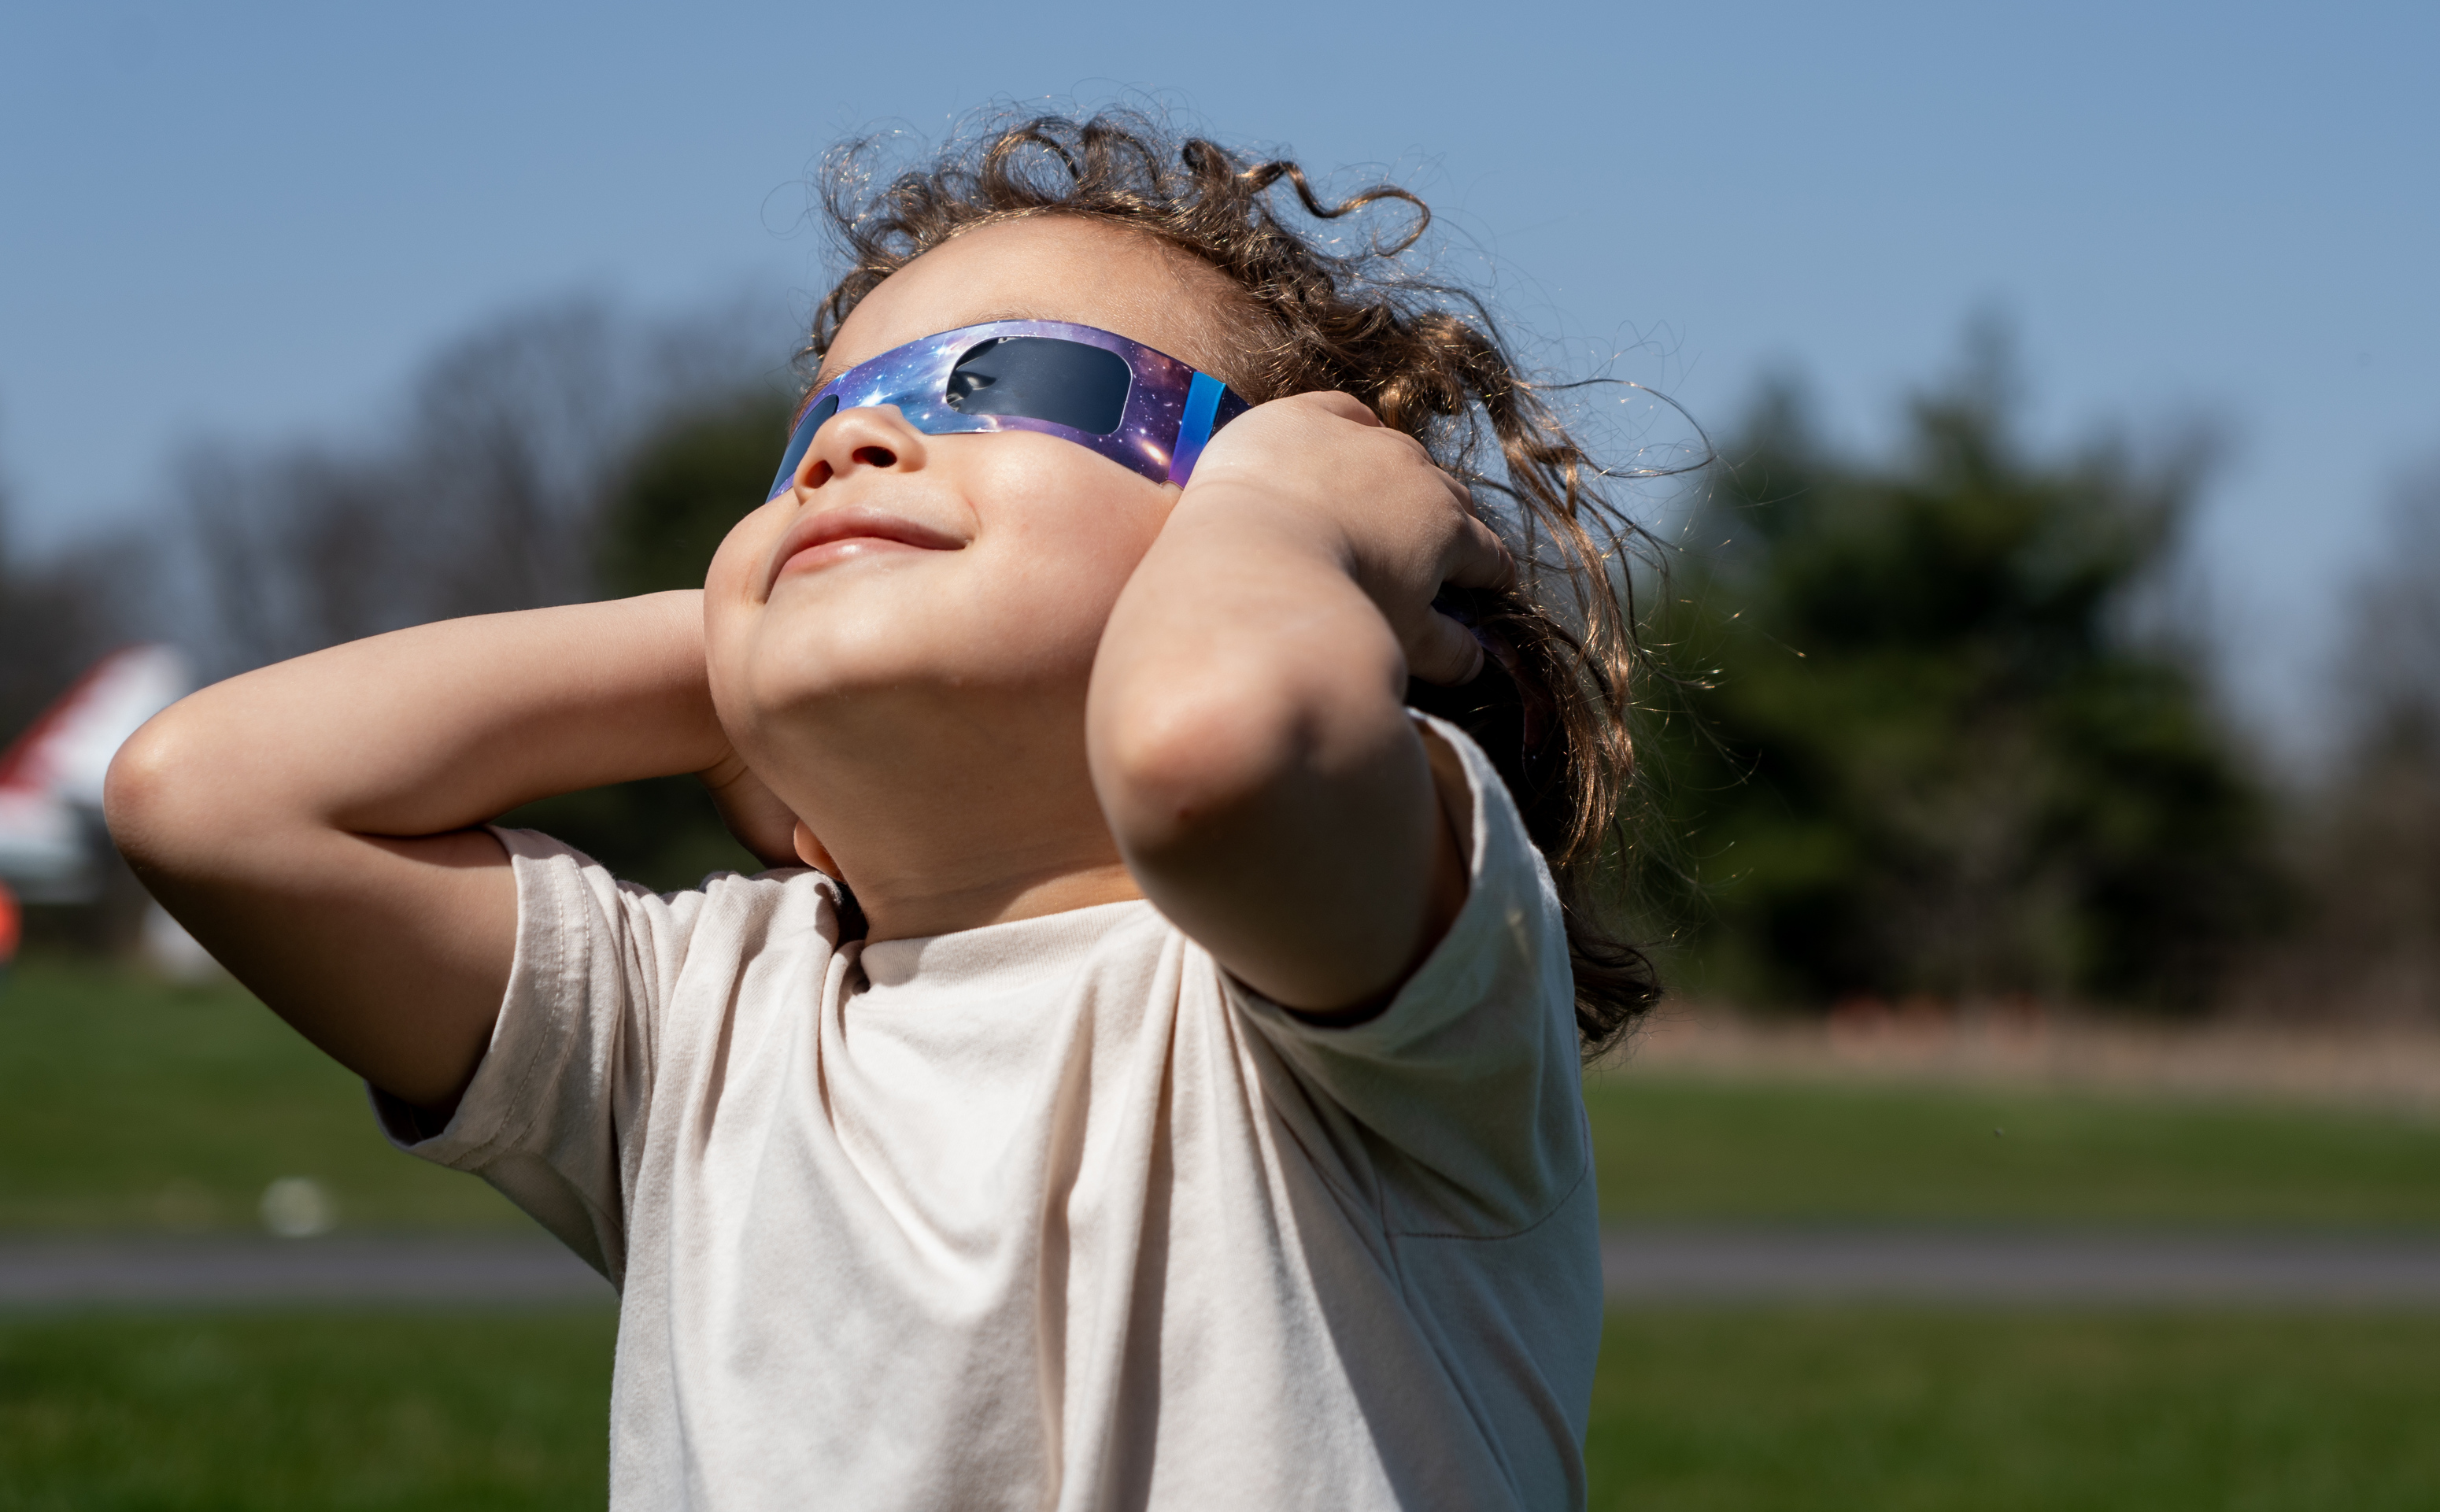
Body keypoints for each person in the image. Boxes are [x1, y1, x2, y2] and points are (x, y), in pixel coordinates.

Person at [106, 109, 1660, 1510]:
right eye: (816, 432)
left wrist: (1286, 504)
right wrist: (750, 632)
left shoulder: (1388, 972)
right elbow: (211, 796)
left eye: (1017, 383)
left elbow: (1212, 750)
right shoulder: (692, 1028)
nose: (854, 441)